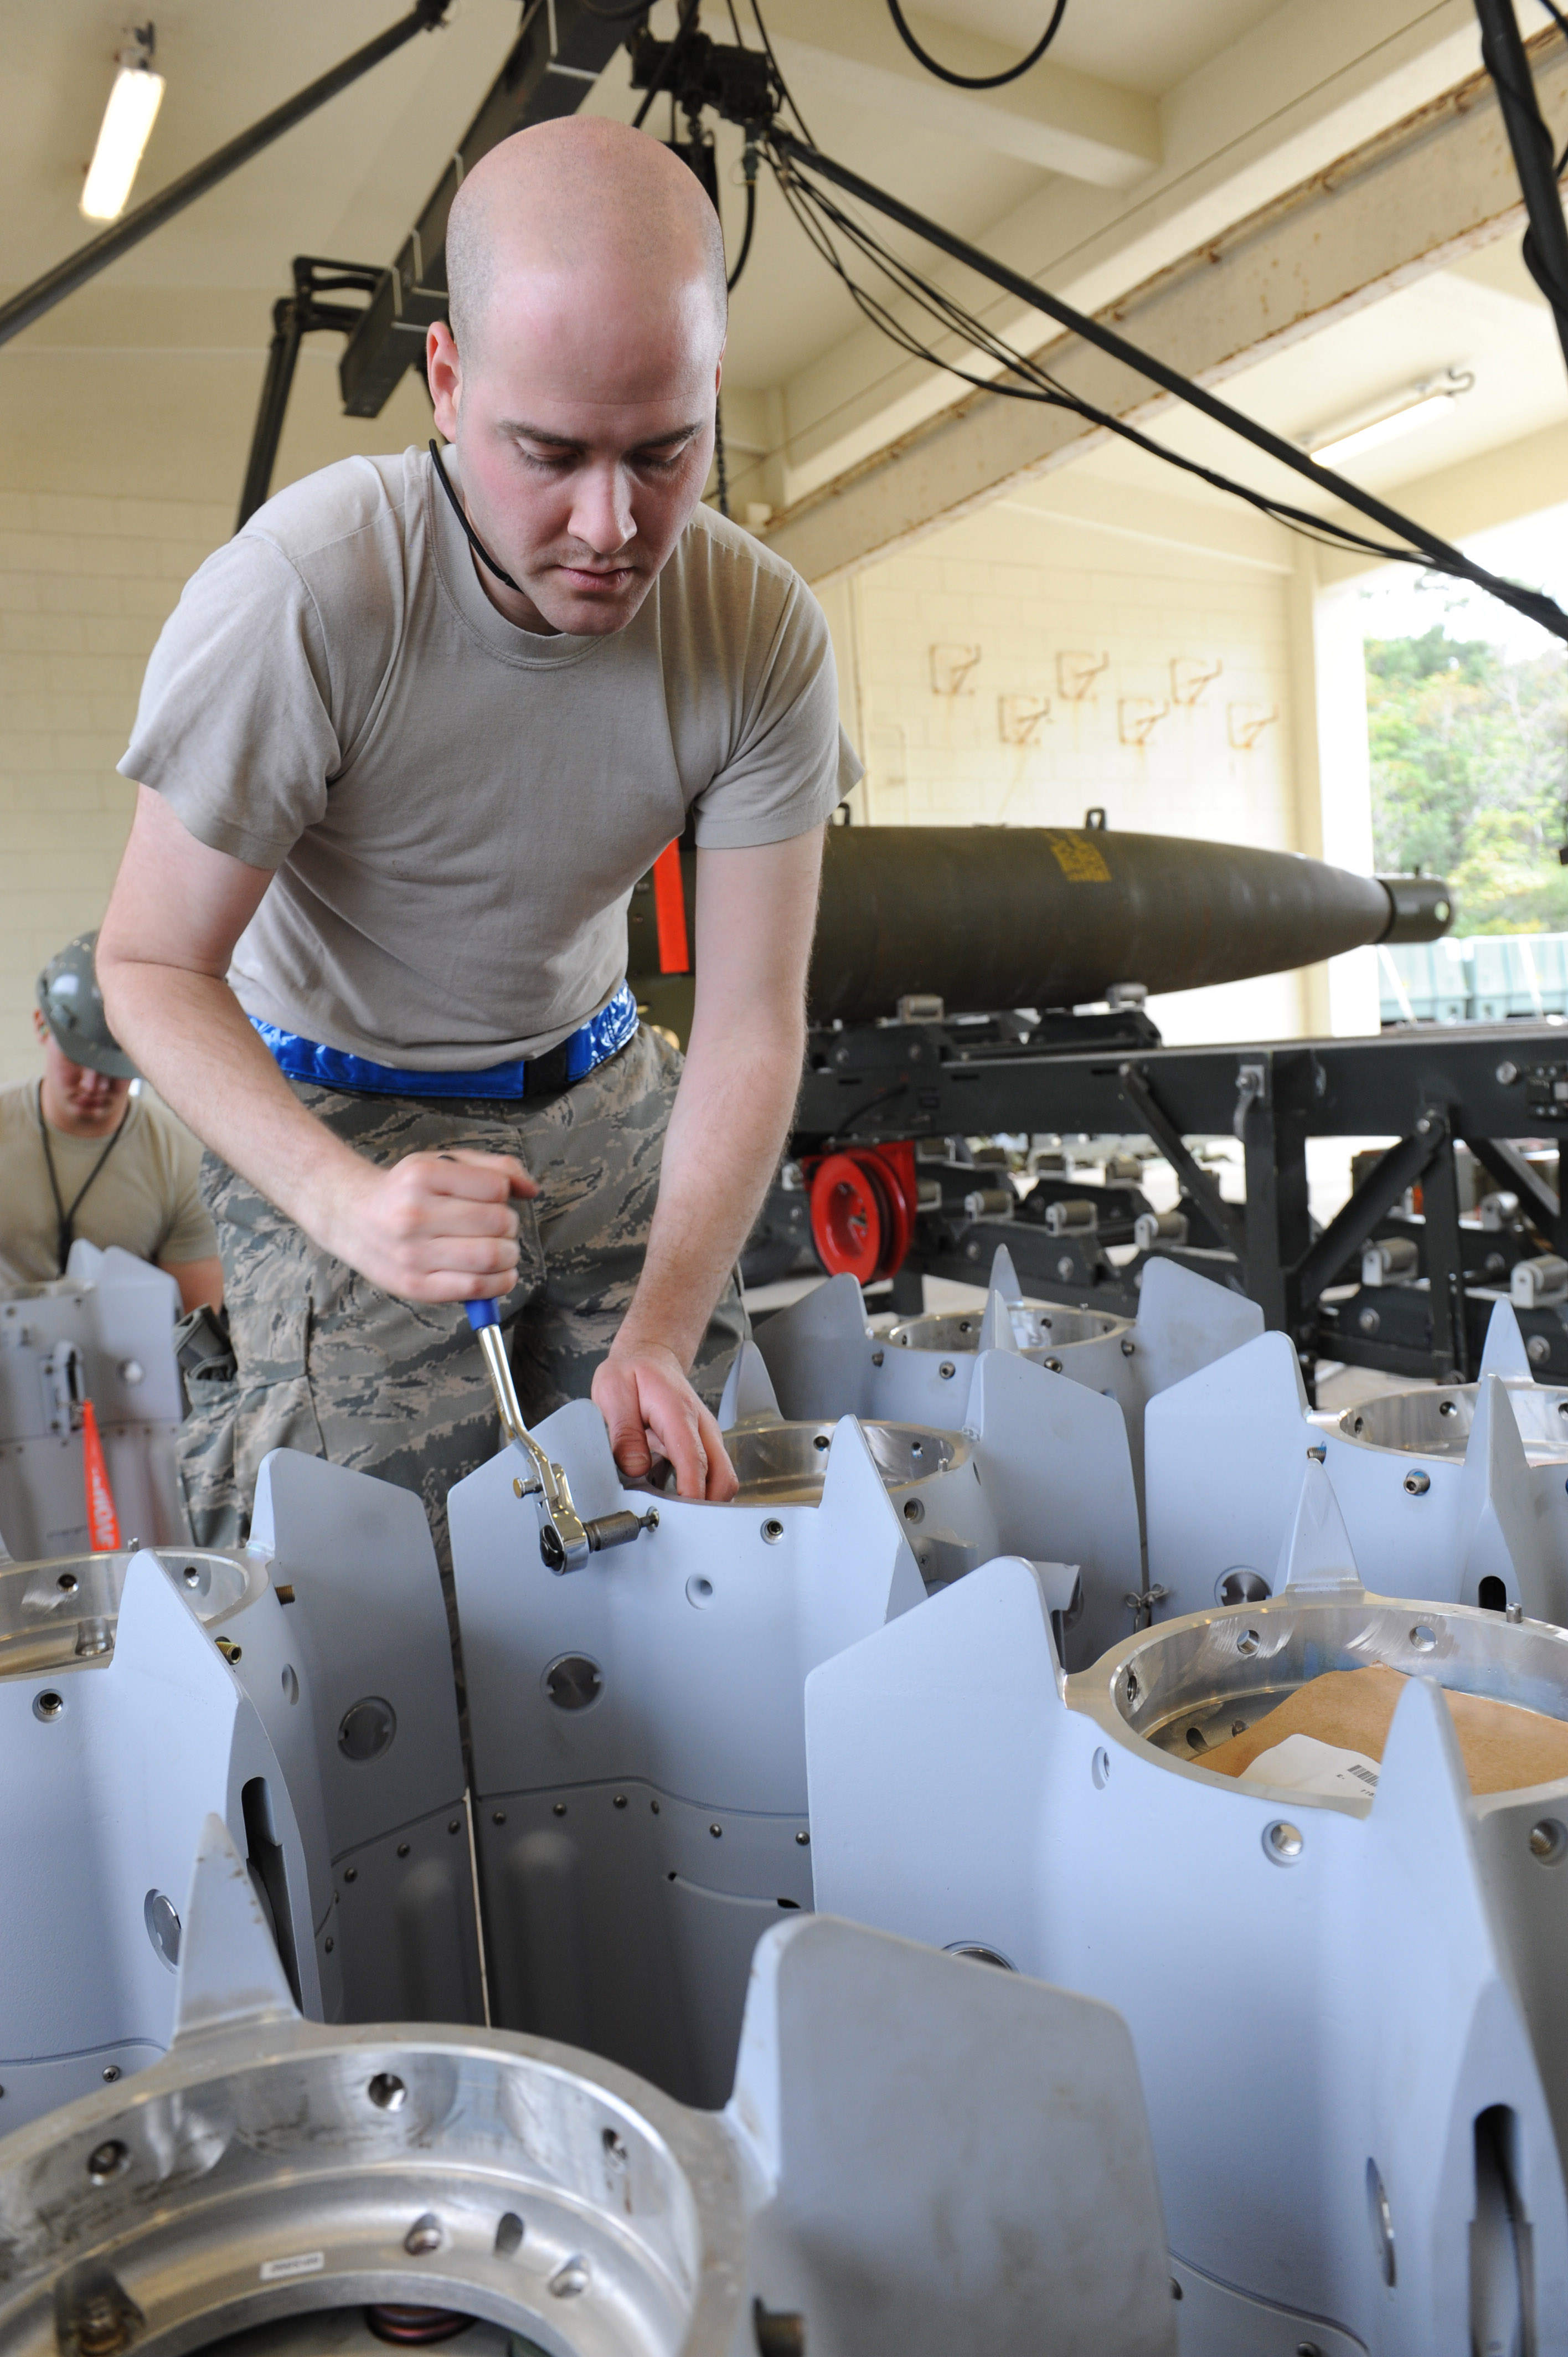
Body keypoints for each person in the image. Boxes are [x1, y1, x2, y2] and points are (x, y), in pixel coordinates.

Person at [95, 116, 850, 1563]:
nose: (611, 525)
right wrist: (342, 1203)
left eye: (666, 453)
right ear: (447, 383)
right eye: (550, 454)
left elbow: (753, 1017)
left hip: (609, 1084)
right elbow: (148, 964)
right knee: (377, 1599)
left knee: (699, 1545)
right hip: (340, 1113)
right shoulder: (304, 600)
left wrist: (667, 1323)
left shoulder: (758, 632)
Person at [0, 933, 223, 1311]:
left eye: (112, 1069)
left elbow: (193, 1329)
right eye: (78, 1060)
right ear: (41, 1027)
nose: (93, 1085)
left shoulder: (182, 1161)